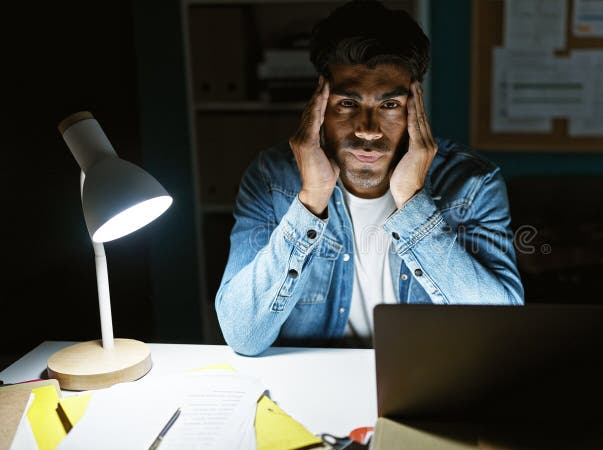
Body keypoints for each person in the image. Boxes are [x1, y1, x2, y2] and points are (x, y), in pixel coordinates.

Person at [216, 0, 524, 355]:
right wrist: (311, 199)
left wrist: (411, 199)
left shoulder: (473, 183)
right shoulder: (273, 178)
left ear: (415, 103)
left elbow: (500, 329)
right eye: (348, 104)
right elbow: (243, 335)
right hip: (316, 387)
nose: (368, 130)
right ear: (320, 101)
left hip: (427, 384)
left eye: (389, 105)